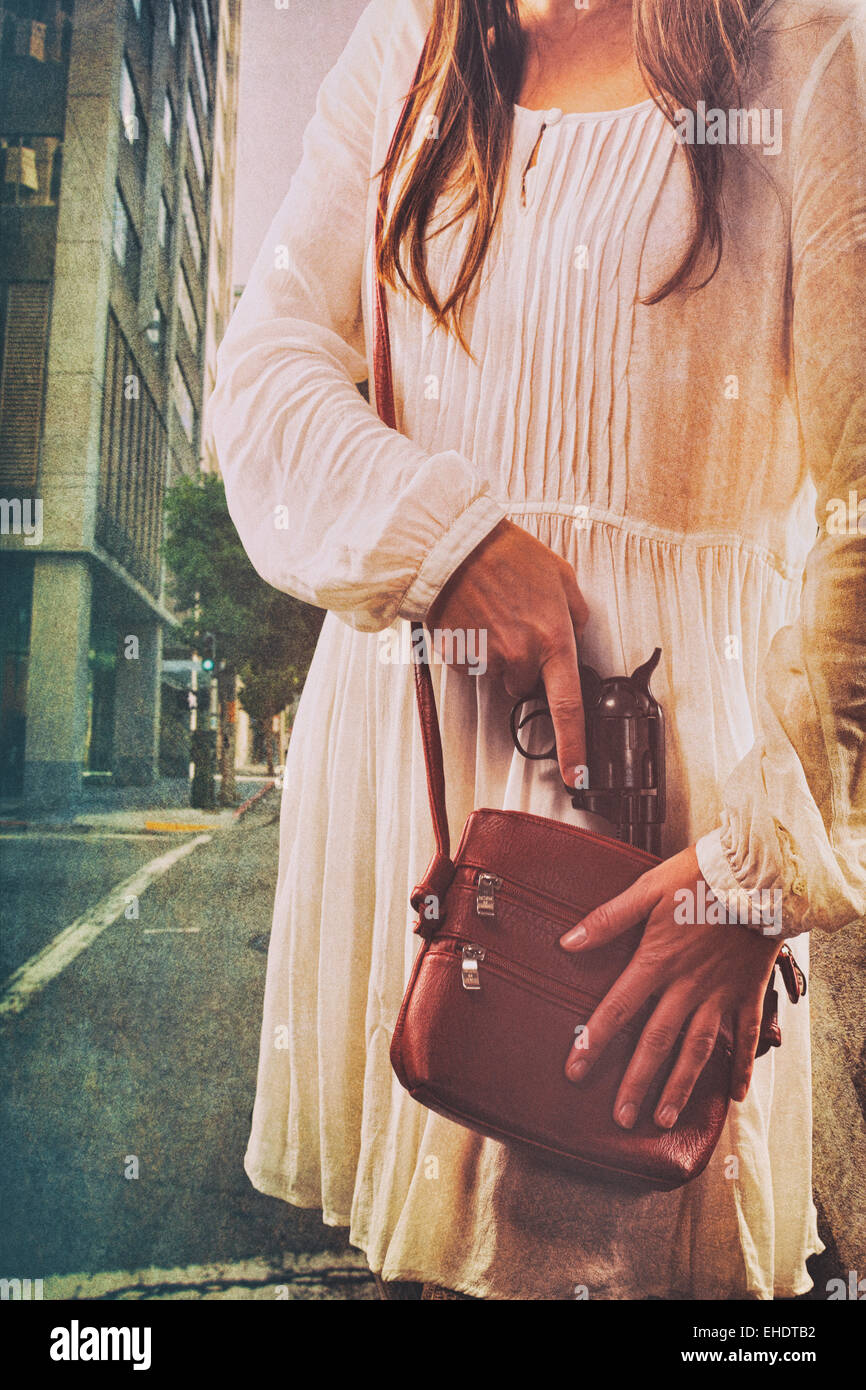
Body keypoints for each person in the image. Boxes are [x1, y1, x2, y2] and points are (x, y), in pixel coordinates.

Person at [210, 0, 866, 1300]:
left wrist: (758, 868)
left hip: (655, 870)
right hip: (419, 838)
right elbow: (266, 371)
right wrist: (447, 541)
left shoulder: (792, 41)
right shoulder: (411, 43)